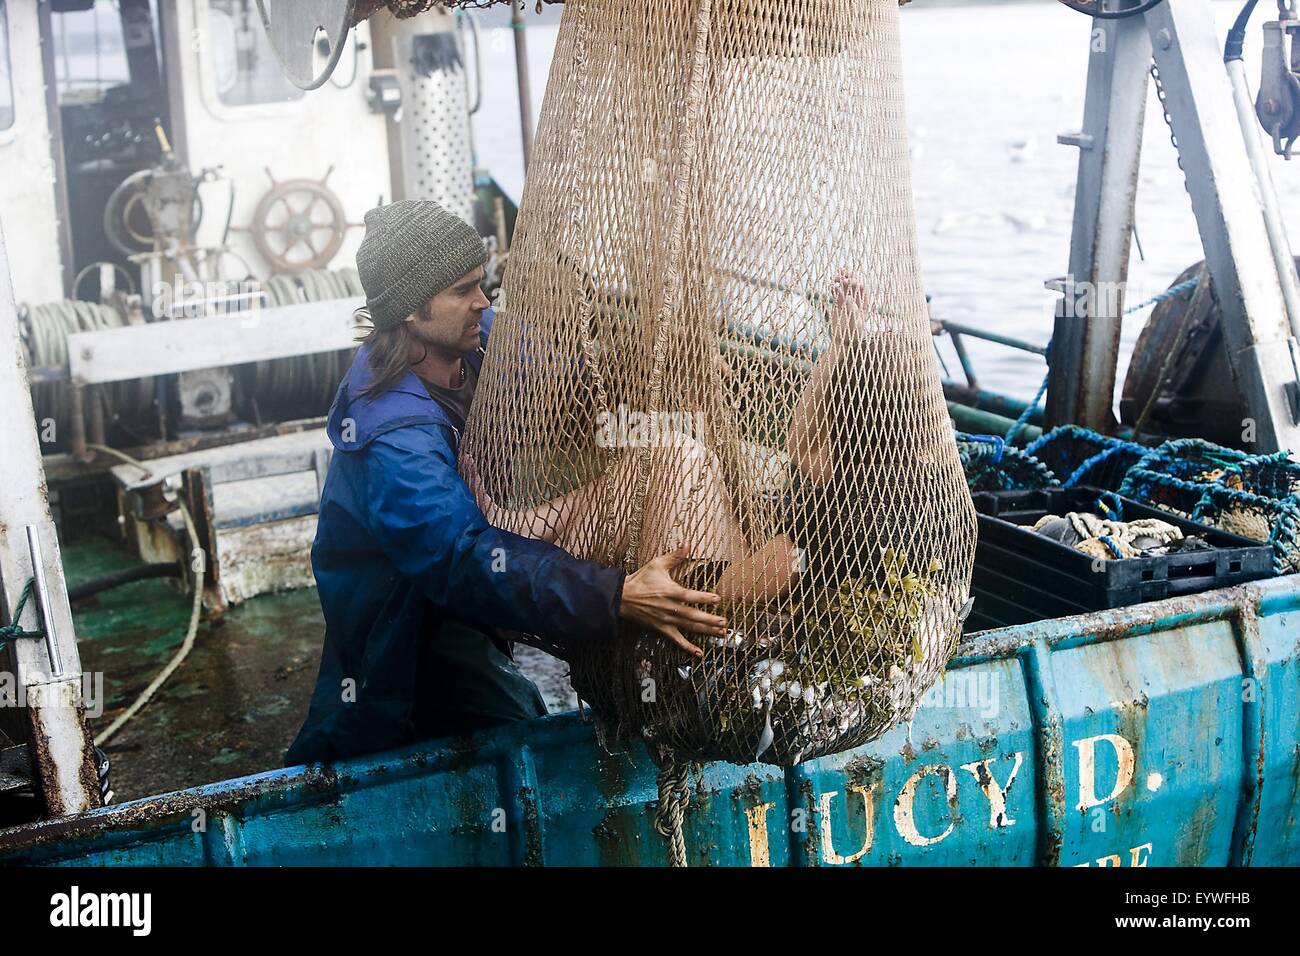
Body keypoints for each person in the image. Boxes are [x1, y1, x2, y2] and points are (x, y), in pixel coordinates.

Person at [285, 200, 727, 765]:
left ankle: (695, 630)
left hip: (484, 556)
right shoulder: (393, 436)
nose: (483, 302)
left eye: (484, 284)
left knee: (673, 455)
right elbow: (462, 557)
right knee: (455, 738)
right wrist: (611, 595)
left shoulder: (479, 343)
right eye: (464, 291)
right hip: (414, 628)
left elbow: (570, 377)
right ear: (411, 312)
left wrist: (651, 351)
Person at [461, 268, 875, 606]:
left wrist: (638, 599)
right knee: (687, 457)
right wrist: (846, 346)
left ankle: (534, 552)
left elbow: (722, 597)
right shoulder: (893, 485)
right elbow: (802, 446)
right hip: (748, 569)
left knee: (678, 457)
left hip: (712, 611)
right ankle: (530, 538)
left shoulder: (827, 526)